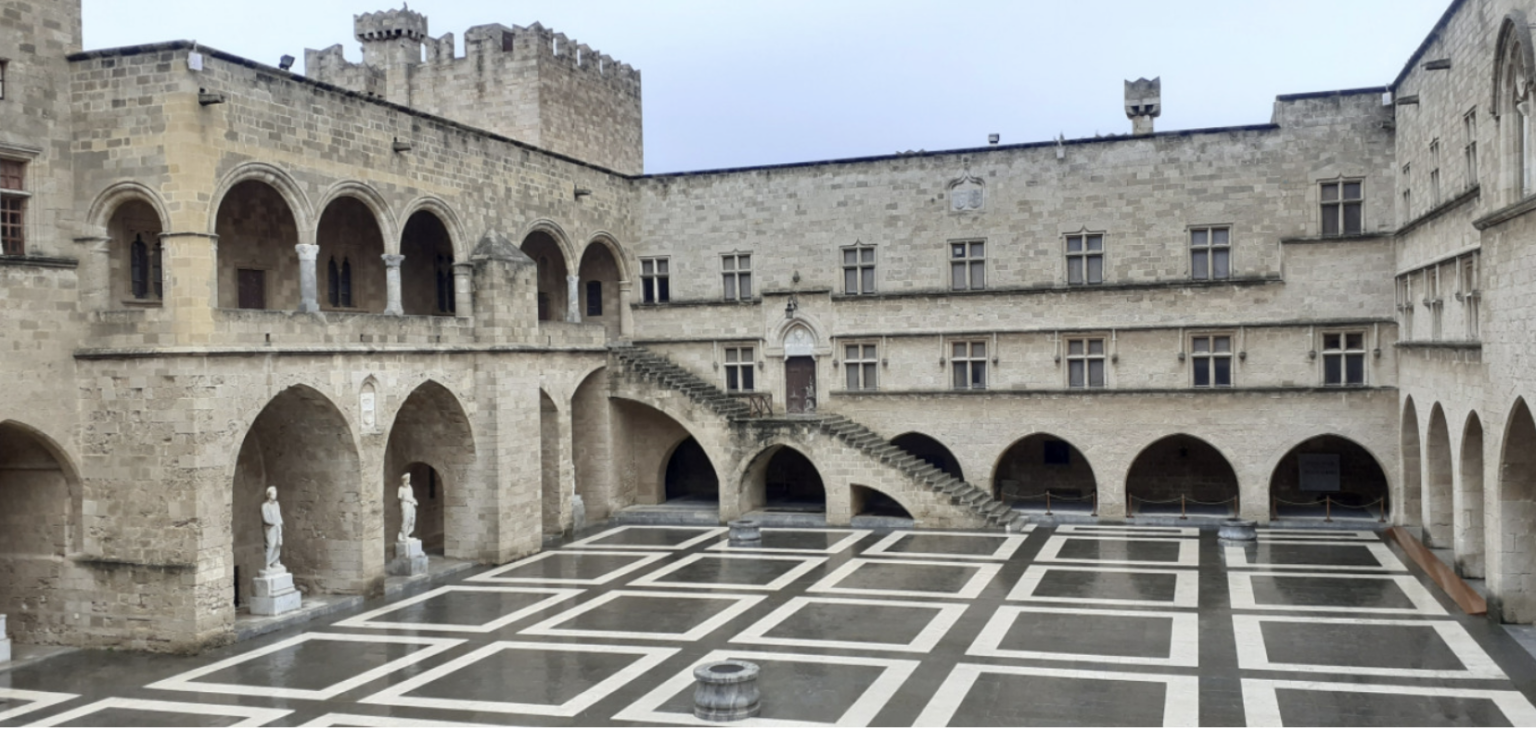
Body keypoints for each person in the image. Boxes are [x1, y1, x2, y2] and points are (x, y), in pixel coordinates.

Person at [261, 486, 284, 572]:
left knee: (278, 544)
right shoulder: (265, 505)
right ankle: (267, 563)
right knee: (271, 545)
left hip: (277, 526)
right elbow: (265, 518)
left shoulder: (276, 504)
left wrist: (279, 523)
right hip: (270, 528)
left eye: (275, 494)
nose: (275, 495)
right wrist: (272, 523)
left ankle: (275, 561)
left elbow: (278, 514)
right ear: (269, 495)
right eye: (273, 494)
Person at [398, 473, 418, 542]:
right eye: (406, 481)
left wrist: (413, 500)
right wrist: (410, 500)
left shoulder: (410, 487)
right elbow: (400, 497)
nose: (407, 482)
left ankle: (407, 534)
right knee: (405, 520)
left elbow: (411, 496)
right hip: (405, 505)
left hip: (411, 505)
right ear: (403, 481)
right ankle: (403, 536)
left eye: (408, 481)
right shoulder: (401, 488)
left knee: (412, 520)